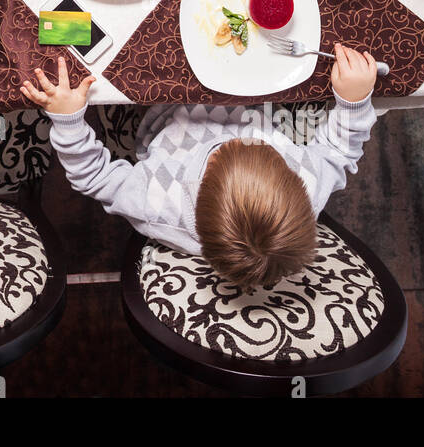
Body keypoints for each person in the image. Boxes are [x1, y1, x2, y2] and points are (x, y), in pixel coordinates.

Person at [20, 46, 379, 288]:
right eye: (263, 149)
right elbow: (339, 151)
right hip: (253, 98)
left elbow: (93, 176)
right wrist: (353, 101)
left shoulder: (158, 206)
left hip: (167, 111)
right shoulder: (308, 189)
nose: (238, 139)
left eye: (225, 152)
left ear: (196, 192)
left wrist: (68, 121)